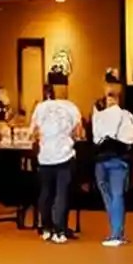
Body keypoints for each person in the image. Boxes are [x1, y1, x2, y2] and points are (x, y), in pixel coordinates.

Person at [30, 74, 82, 244]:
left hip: (45, 157)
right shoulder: (71, 107)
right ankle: (60, 230)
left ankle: (46, 228)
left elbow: (33, 133)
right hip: (64, 155)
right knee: (62, 194)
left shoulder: (40, 107)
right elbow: (78, 132)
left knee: (45, 193)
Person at [91, 73, 133, 246]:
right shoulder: (128, 116)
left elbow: (96, 138)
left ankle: (115, 230)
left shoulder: (99, 116)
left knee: (107, 195)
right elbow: (130, 139)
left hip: (101, 160)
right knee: (118, 195)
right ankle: (117, 232)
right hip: (119, 160)